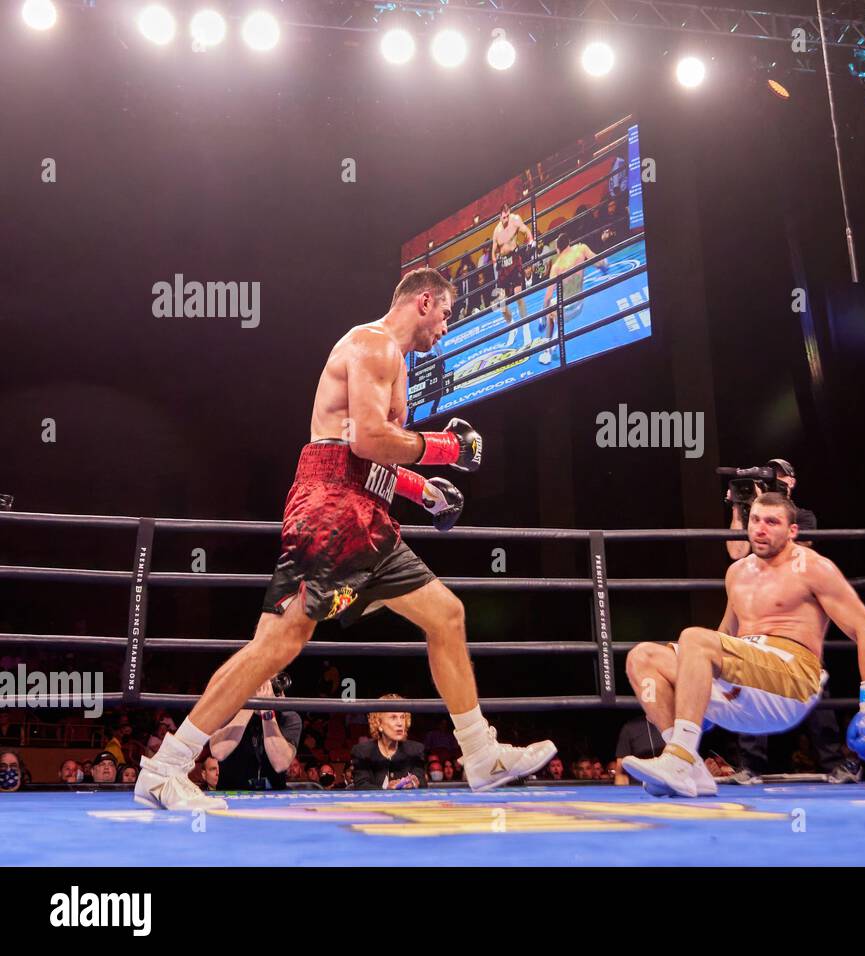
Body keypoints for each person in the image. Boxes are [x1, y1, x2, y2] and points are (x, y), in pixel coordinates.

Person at [134, 268, 554, 810]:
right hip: (332, 510)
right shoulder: (373, 344)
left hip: (365, 514)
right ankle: (166, 766)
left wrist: (424, 490)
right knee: (277, 646)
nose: (447, 326)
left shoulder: (393, 362)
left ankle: (480, 753)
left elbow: (367, 453)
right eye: (447, 313)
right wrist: (449, 449)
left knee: (445, 615)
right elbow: (370, 439)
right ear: (423, 301)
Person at [623, 493, 865, 797]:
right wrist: (691, 684)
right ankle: (690, 766)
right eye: (755, 520)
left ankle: (679, 758)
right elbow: (724, 634)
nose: (760, 529)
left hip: (791, 678)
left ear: (792, 531)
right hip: (744, 680)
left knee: (694, 637)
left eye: (772, 522)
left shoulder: (814, 568)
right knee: (642, 657)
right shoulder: (737, 572)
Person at [723, 461, 852, 784]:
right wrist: (741, 509)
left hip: (795, 624)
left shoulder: (800, 517)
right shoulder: (754, 521)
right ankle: (750, 766)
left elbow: (799, 552)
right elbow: (737, 552)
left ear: (790, 481)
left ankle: (834, 761)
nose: (770, 482)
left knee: (815, 692)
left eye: (776, 477)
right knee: (747, 687)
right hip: (755, 622)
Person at [209, 676, 301, 791]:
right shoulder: (226, 712)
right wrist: (250, 703)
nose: (265, 690)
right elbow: (218, 752)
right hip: (232, 794)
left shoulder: (288, 717)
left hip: (274, 796)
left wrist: (267, 710)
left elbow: (280, 764)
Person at [539, 232, 604, 366]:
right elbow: (599, 262)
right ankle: (550, 338)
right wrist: (604, 266)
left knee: (549, 309)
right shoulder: (581, 249)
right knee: (554, 307)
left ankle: (547, 351)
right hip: (580, 302)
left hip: (566, 309)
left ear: (557, 249)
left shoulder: (557, 267)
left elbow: (548, 297)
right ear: (569, 242)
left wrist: (542, 317)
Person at [349, 696, 427, 790]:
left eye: (402, 717)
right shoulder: (361, 751)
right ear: (379, 723)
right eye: (393, 717)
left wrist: (414, 783)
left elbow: (422, 782)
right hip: (375, 804)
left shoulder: (416, 749)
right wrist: (386, 790)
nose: (400, 723)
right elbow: (362, 785)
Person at [489, 202, 536, 347]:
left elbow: (526, 231)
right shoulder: (496, 231)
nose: (506, 219)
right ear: (499, 217)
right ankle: (512, 328)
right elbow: (493, 251)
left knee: (518, 296)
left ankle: (526, 330)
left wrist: (531, 241)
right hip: (503, 265)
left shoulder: (515, 220)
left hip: (515, 261)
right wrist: (495, 261)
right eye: (504, 217)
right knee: (501, 302)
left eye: (507, 216)